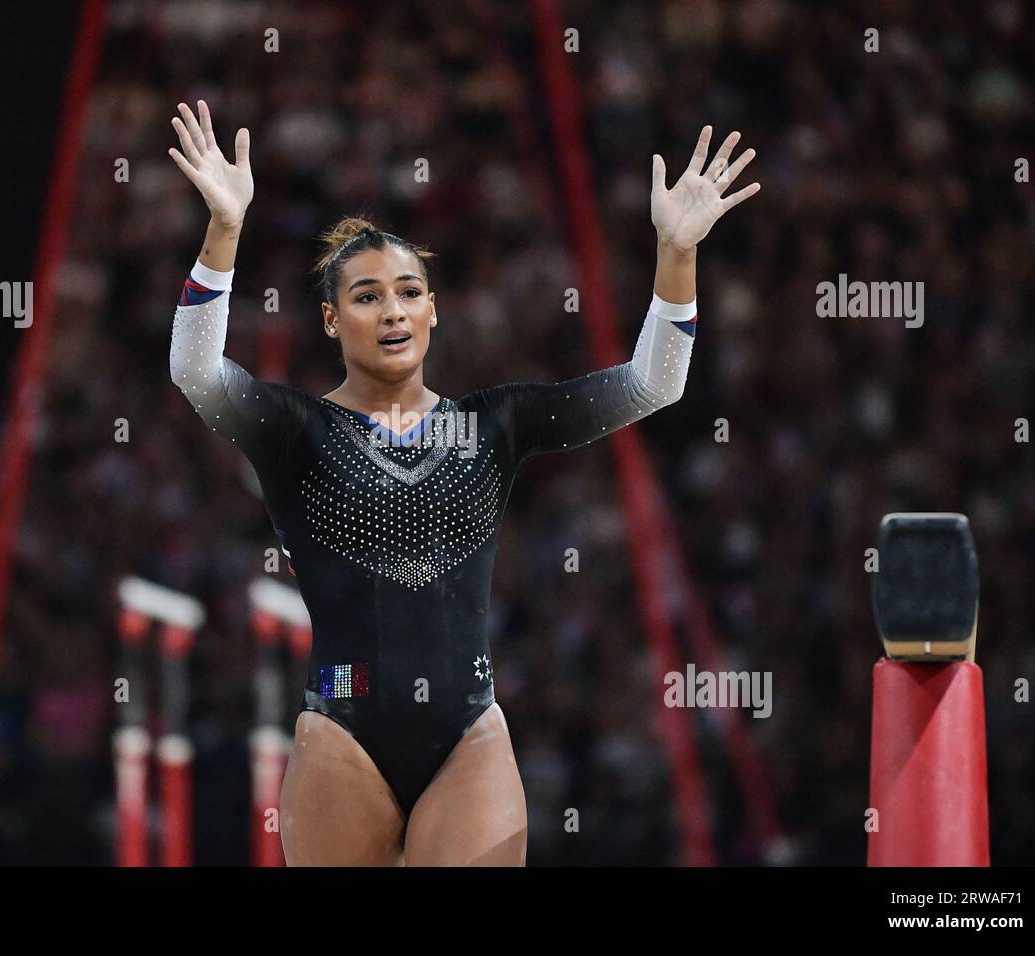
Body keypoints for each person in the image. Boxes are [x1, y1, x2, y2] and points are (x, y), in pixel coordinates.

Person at [167, 99, 759, 865]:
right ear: (329, 320)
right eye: (367, 295)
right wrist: (223, 234)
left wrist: (677, 253)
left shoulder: (493, 425)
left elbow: (655, 384)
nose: (393, 311)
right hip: (343, 732)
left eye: (409, 292)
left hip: (467, 735)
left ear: (435, 311)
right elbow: (196, 373)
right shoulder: (296, 431)